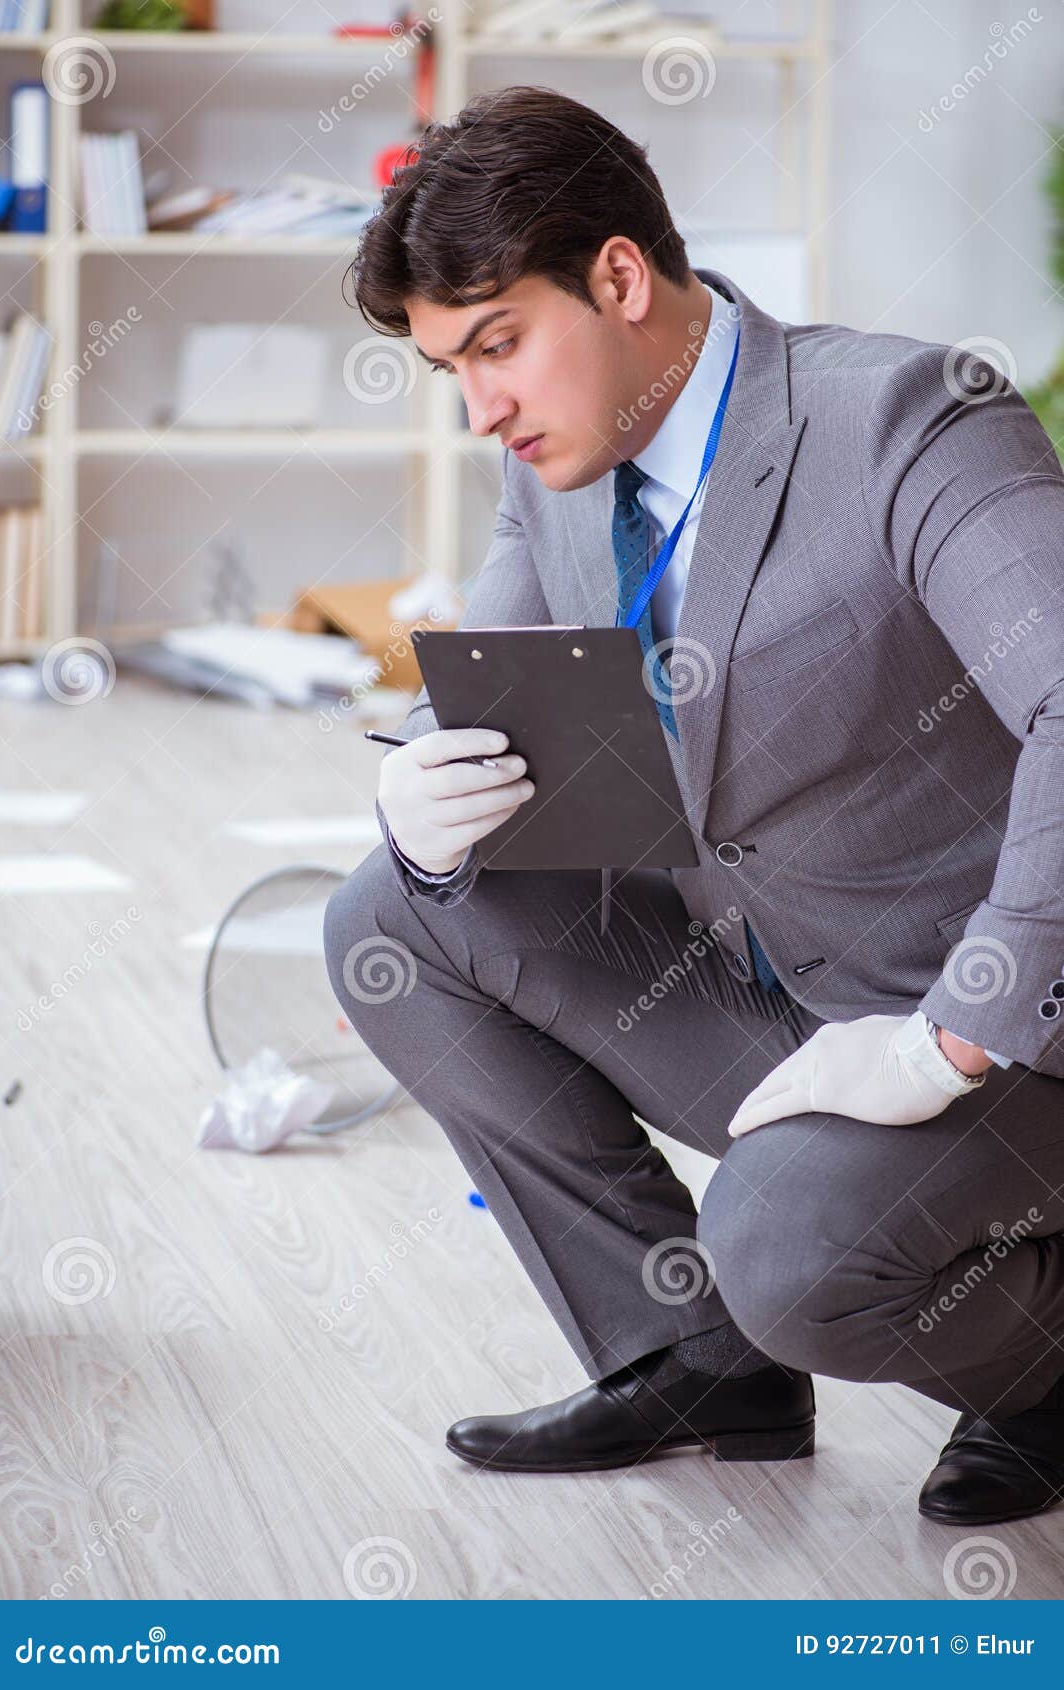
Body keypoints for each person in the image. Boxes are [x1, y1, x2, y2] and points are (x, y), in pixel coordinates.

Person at [324, 86, 1064, 1526]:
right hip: (792, 1003)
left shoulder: (910, 417)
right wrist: (418, 772)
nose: (481, 405)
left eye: (498, 345)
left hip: (1006, 1037)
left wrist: (962, 1026)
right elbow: (495, 692)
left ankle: (1041, 1367)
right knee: (392, 909)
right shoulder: (560, 466)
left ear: (618, 275)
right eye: (450, 367)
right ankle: (692, 1353)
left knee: (784, 1246)